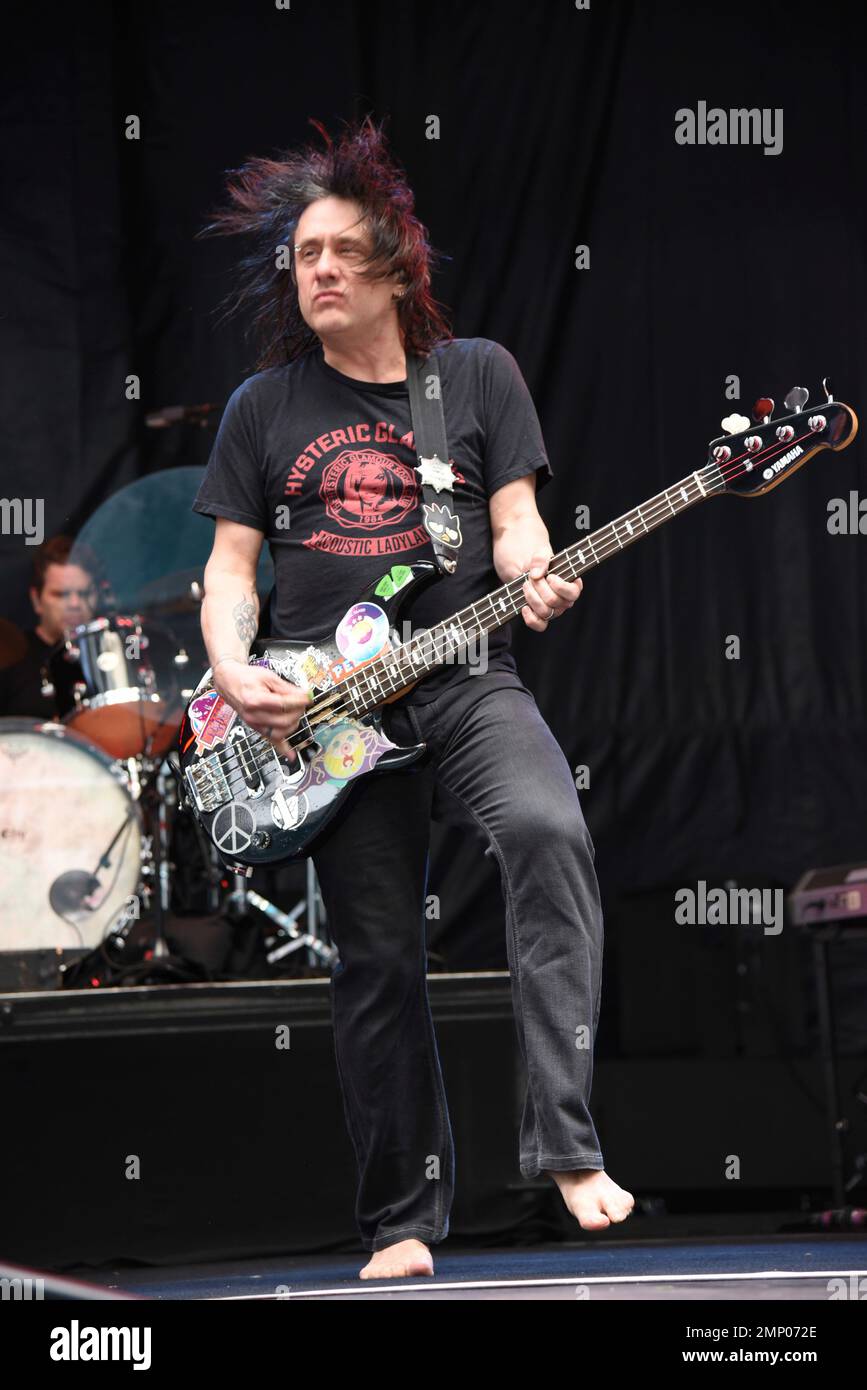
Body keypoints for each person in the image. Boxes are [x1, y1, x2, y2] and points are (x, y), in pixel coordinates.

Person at [193, 115, 634, 1279]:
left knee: (548, 833)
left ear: (395, 264)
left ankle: (567, 1146)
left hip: (463, 673)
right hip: (324, 712)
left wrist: (534, 570)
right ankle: (400, 1218)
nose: (319, 271)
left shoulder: (477, 377)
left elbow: (515, 520)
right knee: (378, 957)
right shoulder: (262, 407)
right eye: (303, 257)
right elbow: (232, 570)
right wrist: (240, 674)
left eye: (342, 251)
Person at [0, 535, 96, 720]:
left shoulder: (107, 658)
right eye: (61, 594)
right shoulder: (10, 658)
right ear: (37, 600)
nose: (75, 603)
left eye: (84, 593)